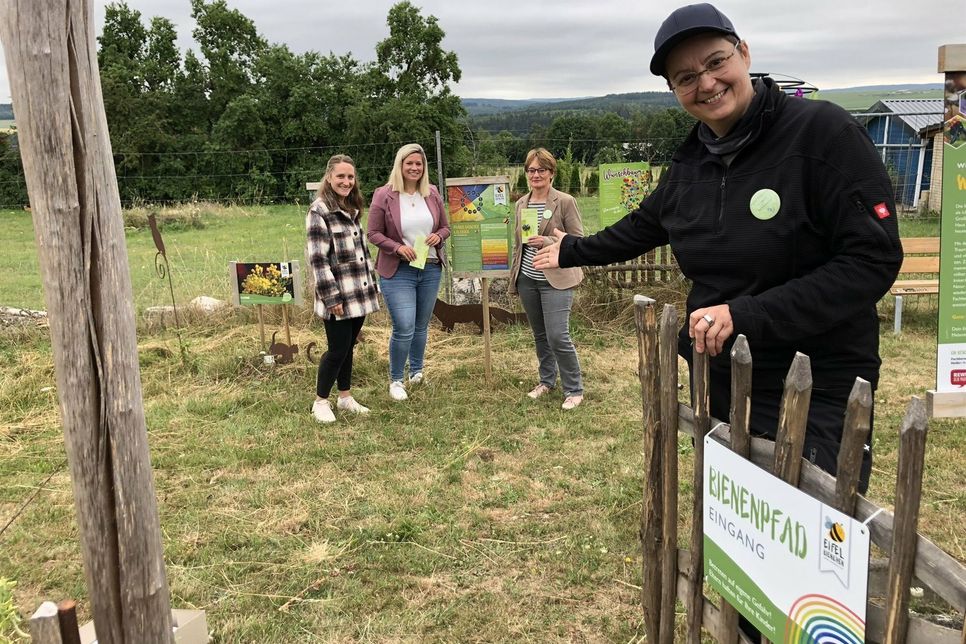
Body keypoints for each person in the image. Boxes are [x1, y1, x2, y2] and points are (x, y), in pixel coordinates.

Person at [535, 3, 902, 490]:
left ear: (744, 54)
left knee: (808, 535)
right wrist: (572, 250)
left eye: (714, 62)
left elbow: (871, 261)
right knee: (737, 528)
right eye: (685, 77)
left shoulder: (823, 135)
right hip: (724, 374)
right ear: (673, 91)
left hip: (816, 381)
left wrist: (746, 314)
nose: (705, 83)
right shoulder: (692, 161)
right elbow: (644, 225)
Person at [367, 143, 450, 401]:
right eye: (409, 163)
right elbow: (373, 233)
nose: (414, 168)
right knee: (403, 326)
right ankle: (395, 379)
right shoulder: (385, 194)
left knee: (421, 325)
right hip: (398, 270)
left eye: (419, 164)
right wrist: (397, 247)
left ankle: (416, 371)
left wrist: (438, 236)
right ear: (400, 165)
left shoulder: (432, 193)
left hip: (430, 268)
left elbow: (446, 227)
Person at [509, 148, 585, 410]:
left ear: (552, 173)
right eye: (531, 170)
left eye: (541, 170)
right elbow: (519, 244)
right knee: (540, 334)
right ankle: (546, 381)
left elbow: (577, 240)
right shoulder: (521, 204)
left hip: (557, 278)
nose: (536, 174)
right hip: (528, 279)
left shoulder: (564, 201)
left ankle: (574, 388)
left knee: (557, 335)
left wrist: (549, 240)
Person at [306, 154, 380, 424]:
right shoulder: (319, 211)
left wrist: (372, 284)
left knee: (349, 347)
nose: (346, 182)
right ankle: (320, 401)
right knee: (336, 349)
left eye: (350, 177)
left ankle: (345, 397)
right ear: (329, 177)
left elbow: (361, 252)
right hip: (337, 294)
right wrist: (330, 296)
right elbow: (317, 258)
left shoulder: (353, 209)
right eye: (341, 176)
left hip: (358, 291)